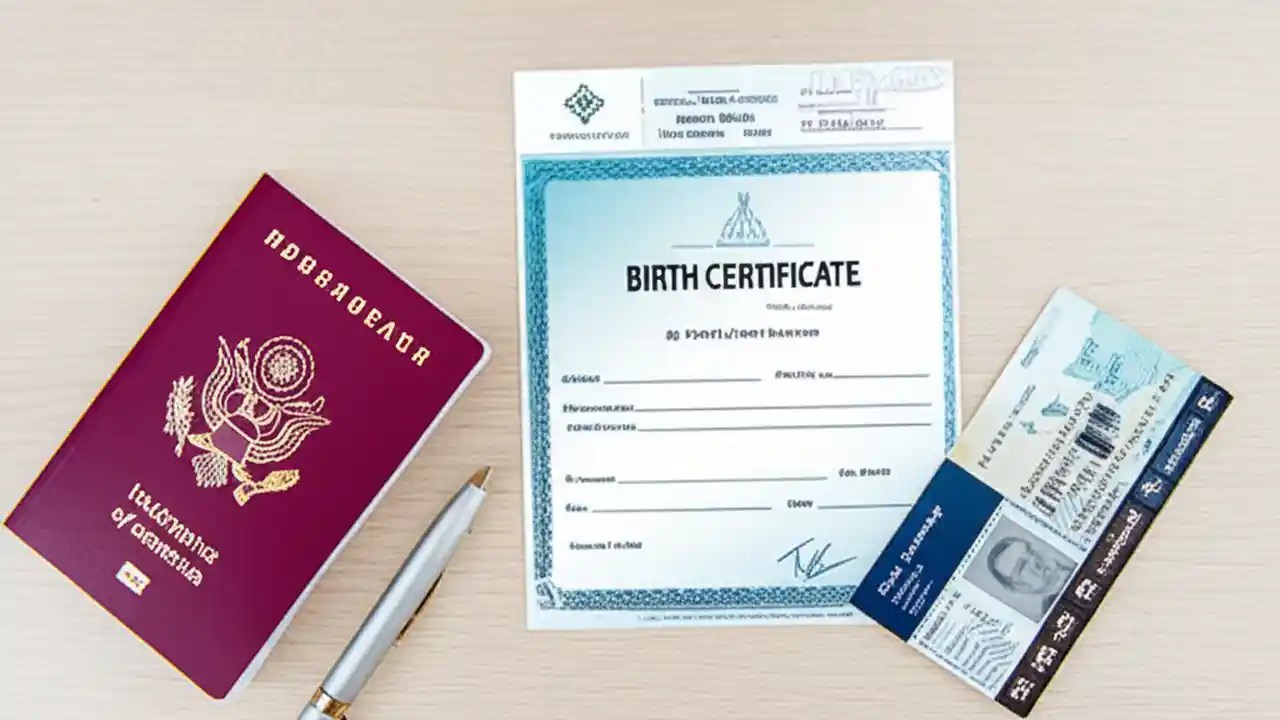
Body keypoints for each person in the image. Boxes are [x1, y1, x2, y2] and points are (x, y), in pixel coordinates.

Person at [986, 536, 1072, 617]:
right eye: (1022, 565)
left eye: (1031, 551)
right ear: (1015, 588)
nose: (1034, 560)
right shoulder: (1053, 615)